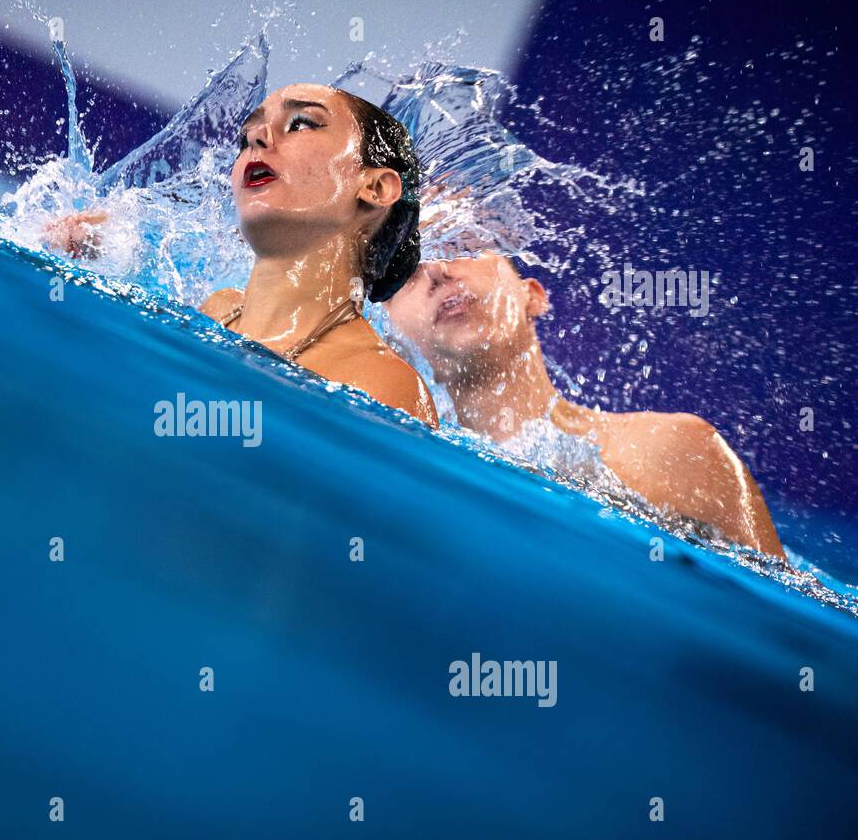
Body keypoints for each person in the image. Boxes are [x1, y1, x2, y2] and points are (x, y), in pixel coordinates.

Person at [46, 84, 438, 428]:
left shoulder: (384, 385)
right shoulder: (219, 311)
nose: (259, 138)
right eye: (246, 136)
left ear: (376, 187)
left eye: (301, 123)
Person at [383, 250, 787, 558]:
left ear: (533, 296)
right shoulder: (406, 489)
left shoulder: (670, 448)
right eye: (406, 273)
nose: (436, 270)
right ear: (396, 347)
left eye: (461, 246)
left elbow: (785, 632)